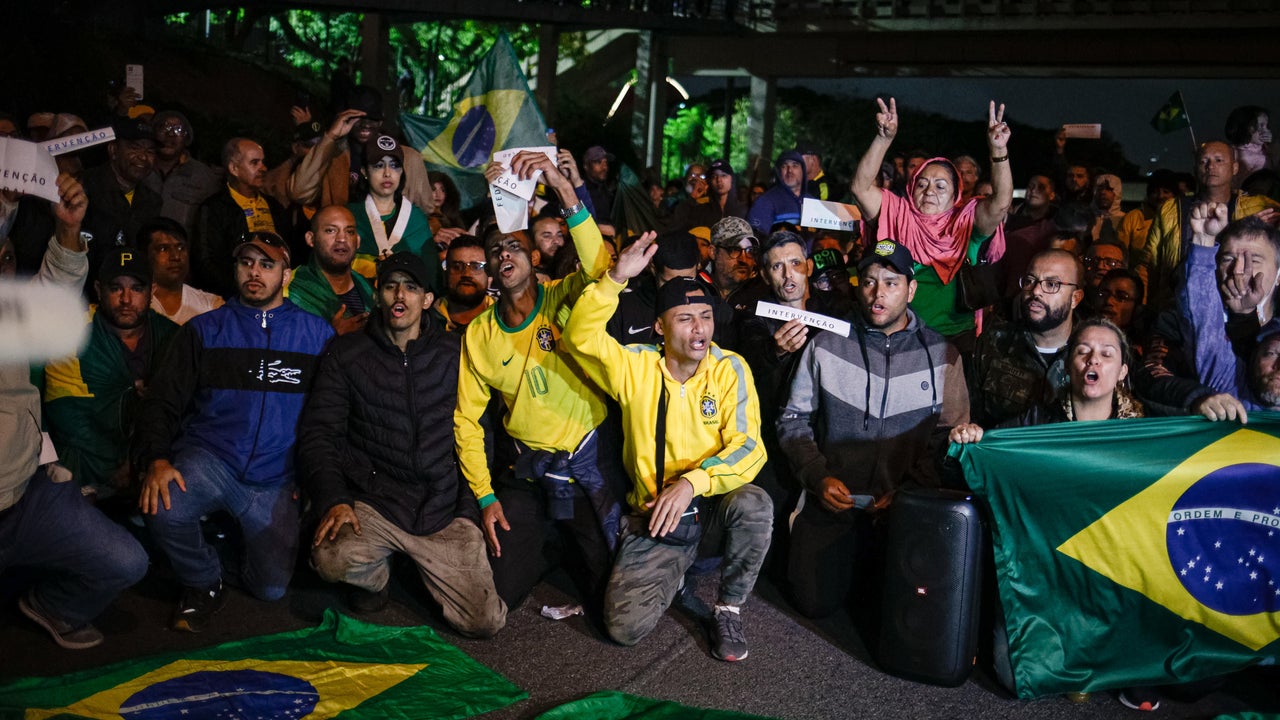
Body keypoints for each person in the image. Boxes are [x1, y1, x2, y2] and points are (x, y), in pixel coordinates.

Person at [951, 316, 1244, 712]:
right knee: (1012, 672)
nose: (1094, 360)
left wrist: (1203, 402)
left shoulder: (1145, 429)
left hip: (1121, 575)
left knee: (1190, 674)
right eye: (1083, 351)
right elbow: (973, 465)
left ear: (1122, 371)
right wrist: (970, 440)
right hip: (1054, 574)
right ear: (1069, 363)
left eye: (1107, 354)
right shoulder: (1036, 424)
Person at [562, 235, 771, 661]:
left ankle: (728, 607)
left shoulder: (731, 368)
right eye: (686, 319)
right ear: (660, 326)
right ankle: (674, 574)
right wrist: (616, 277)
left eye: (706, 317)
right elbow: (578, 336)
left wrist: (693, 483)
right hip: (657, 518)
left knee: (755, 504)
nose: (700, 330)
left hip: (711, 509)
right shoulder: (634, 365)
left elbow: (750, 447)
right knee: (623, 629)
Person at [134, 232, 334, 632]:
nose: (255, 272)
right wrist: (156, 459)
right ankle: (204, 580)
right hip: (211, 458)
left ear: (286, 274)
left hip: (276, 476)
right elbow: (163, 402)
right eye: (246, 263)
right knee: (162, 504)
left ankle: (227, 538)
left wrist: (311, 477)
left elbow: (328, 418)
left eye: (267, 264)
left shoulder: (318, 335)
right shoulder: (204, 329)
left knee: (272, 589)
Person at [300, 252, 506, 636]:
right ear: (378, 294)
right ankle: (377, 578)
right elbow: (320, 433)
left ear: (428, 299)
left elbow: (481, 433)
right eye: (391, 285)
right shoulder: (347, 353)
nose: (401, 295)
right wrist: (335, 499)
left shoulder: (455, 353)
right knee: (329, 557)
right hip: (378, 498)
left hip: (442, 503)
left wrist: (469, 507)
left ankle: (420, 566)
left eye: (412, 287)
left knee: (485, 622)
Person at [455, 150, 624, 611]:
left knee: (607, 598)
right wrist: (486, 496)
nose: (503, 254)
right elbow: (466, 421)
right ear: (490, 269)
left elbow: (598, 267)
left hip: (586, 462)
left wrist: (562, 187)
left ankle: (570, 541)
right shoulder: (480, 333)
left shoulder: (562, 295)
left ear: (532, 255)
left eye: (512, 246)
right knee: (502, 591)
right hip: (529, 472)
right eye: (494, 251)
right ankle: (549, 542)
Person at [777, 239, 968, 619]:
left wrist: (908, 492)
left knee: (898, 612)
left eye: (891, 283)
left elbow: (950, 438)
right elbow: (792, 419)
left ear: (911, 290)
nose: (877, 293)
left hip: (902, 508)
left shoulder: (943, 355)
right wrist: (818, 478)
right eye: (868, 281)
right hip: (835, 500)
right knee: (813, 603)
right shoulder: (826, 345)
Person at [1, 173, 148, 650]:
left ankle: (52, 606)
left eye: (6, 260)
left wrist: (67, 231)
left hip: (25, 496)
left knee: (126, 561)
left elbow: (53, 292)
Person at [849, 98, 1012, 343]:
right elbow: (860, 188)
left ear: (956, 194)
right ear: (911, 188)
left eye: (940, 186)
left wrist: (999, 151)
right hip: (900, 337)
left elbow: (1000, 202)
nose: (929, 191)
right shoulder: (896, 213)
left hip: (955, 340)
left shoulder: (966, 222)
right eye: (922, 184)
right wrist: (883, 139)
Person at [43, 247, 179, 496]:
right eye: (116, 288)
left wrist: (141, 460)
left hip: (148, 460)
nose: (126, 299)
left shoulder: (172, 336)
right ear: (98, 289)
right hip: (89, 460)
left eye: (137, 289)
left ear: (152, 292)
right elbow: (67, 414)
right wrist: (117, 464)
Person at [1137, 140, 1279, 310]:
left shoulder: (1259, 206)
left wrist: (1256, 229)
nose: (1210, 166)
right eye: (1204, 161)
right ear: (1195, 169)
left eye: (1219, 160)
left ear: (1234, 168)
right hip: (1178, 306)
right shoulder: (1172, 209)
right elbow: (1149, 263)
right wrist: (1144, 306)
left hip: (1237, 306)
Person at [969, 249, 1081, 427]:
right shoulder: (994, 342)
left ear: (1075, 298)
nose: (1036, 291)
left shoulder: (1093, 353)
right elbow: (970, 418)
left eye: (1051, 284)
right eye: (1030, 281)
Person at [1180, 210, 1280, 411]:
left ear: (1279, 274)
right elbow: (1203, 319)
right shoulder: (1230, 385)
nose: (1239, 270)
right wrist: (1203, 240)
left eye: (1255, 260)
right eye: (1227, 259)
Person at [288, 87, 435, 218]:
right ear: (345, 118)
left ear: (381, 121)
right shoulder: (332, 155)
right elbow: (299, 192)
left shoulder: (408, 158)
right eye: (357, 118)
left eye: (372, 118)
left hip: (392, 244)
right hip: (342, 241)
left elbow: (426, 210)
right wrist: (330, 137)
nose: (365, 124)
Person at [192, 137, 290, 297]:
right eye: (254, 163)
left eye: (263, 162)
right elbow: (206, 261)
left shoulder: (274, 207)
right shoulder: (213, 208)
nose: (263, 168)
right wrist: (242, 289)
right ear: (234, 168)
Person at [80, 116, 162, 293]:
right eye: (134, 148)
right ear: (113, 150)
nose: (143, 157)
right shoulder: (84, 187)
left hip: (127, 298)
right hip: (81, 294)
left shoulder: (152, 201)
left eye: (150, 151)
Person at [347, 134, 439, 290]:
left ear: (402, 171)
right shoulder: (349, 216)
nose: (387, 173)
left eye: (395, 165)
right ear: (364, 171)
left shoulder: (416, 220)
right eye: (379, 165)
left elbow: (432, 278)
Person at [285, 204, 373, 336]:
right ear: (311, 239)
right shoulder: (292, 288)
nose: (342, 239)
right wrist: (330, 334)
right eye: (330, 231)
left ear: (358, 241)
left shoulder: (367, 288)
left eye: (349, 232)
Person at [141, 110, 220, 237]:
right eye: (164, 127)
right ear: (153, 132)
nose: (170, 134)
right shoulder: (138, 166)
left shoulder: (204, 177)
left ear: (187, 138)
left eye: (178, 130)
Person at [137, 217, 223, 325]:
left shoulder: (212, 306)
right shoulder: (131, 306)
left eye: (180, 248)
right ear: (144, 255)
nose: (176, 256)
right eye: (163, 249)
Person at [433, 234, 494, 333]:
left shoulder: (507, 320)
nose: (466, 274)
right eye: (457, 266)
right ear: (446, 273)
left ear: (490, 276)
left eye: (476, 267)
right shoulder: (424, 322)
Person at [747, 150, 810, 234]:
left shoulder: (813, 202)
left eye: (795, 166)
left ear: (803, 171)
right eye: (784, 166)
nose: (789, 170)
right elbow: (756, 238)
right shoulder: (765, 202)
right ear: (778, 172)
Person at [1225, 105, 1273, 184]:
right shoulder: (1234, 153)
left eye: (1266, 126)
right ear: (1246, 127)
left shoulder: (1266, 148)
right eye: (1261, 125)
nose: (1265, 130)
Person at [581, 145, 616, 225]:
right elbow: (569, 215)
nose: (604, 167)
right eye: (598, 162)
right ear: (586, 166)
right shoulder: (579, 191)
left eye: (606, 162)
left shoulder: (608, 192)